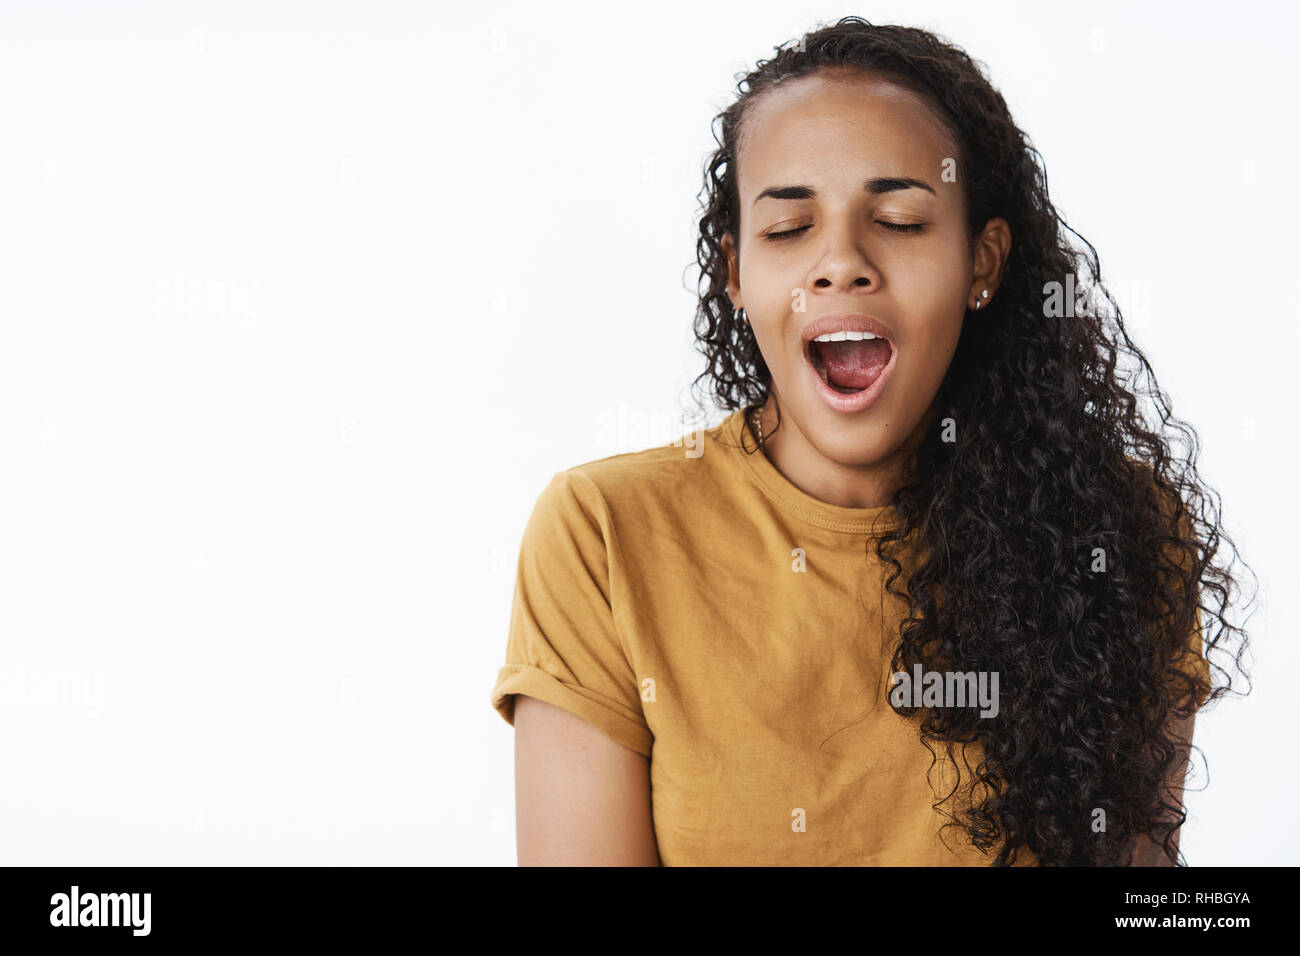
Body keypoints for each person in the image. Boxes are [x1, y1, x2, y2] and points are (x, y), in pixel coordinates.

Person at [490, 17, 1250, 866]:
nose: (841, 262)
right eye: (787, 230)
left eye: (898, 219)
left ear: (982, 265)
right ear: (735, 273)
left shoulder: (1120, 528)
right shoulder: (602, 534)